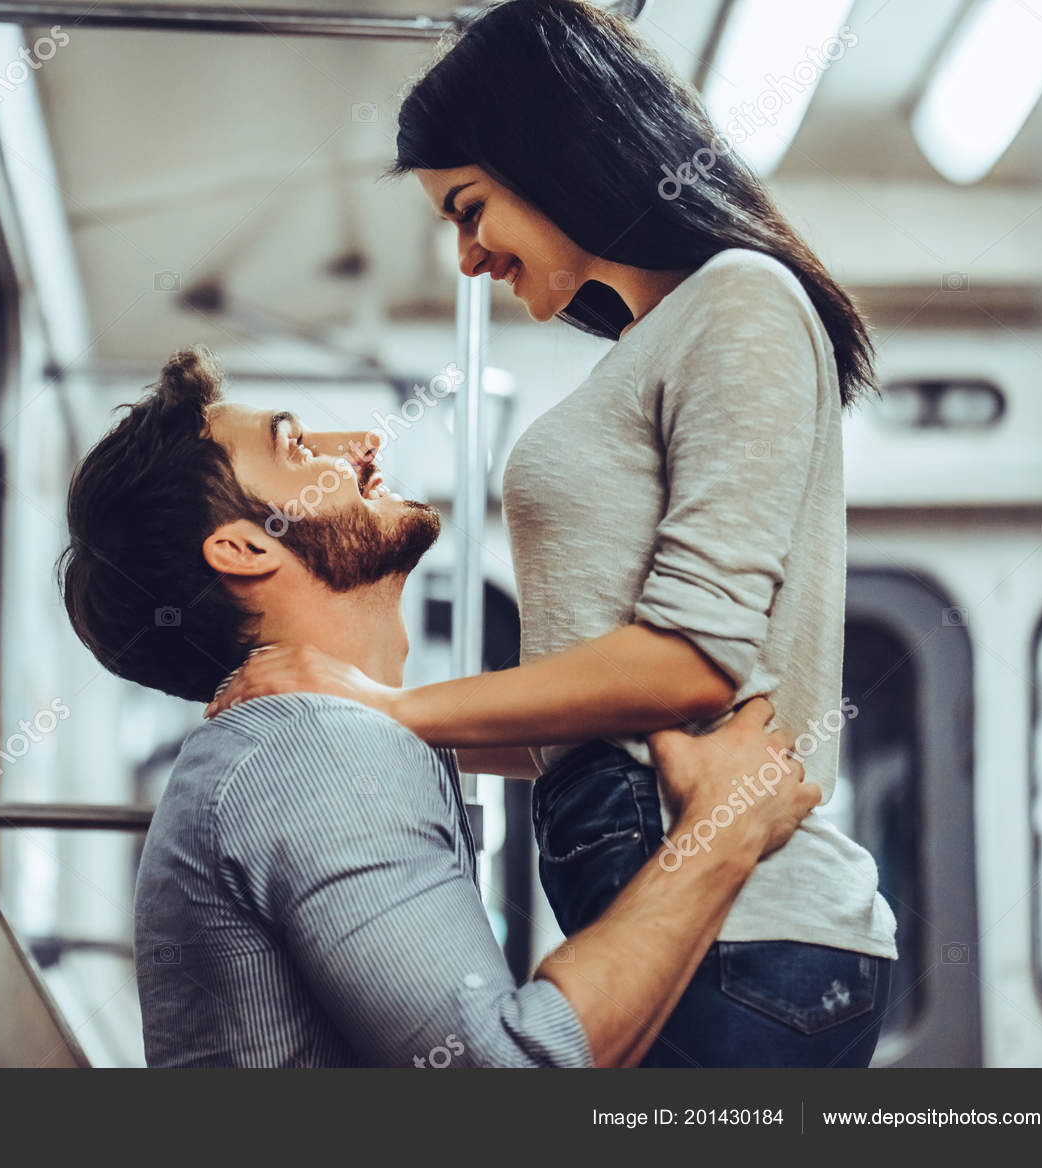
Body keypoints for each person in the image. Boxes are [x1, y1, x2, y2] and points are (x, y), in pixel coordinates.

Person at [206, 0, 896, 1067]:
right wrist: (348, 720)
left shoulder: (741, 302)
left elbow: (689, 666)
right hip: (701, 911)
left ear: (556, 154)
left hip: (750, 930)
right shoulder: (660, 338)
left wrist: (387, 706)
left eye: (471, 209)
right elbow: (583, 726)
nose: (468, 257)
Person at [59, 346, 818, 1067]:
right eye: (295, 447)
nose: (363, 445)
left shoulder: (304, 740)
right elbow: (509, 1069)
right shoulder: (314, 754)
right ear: (247, 548)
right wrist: (725, 832)